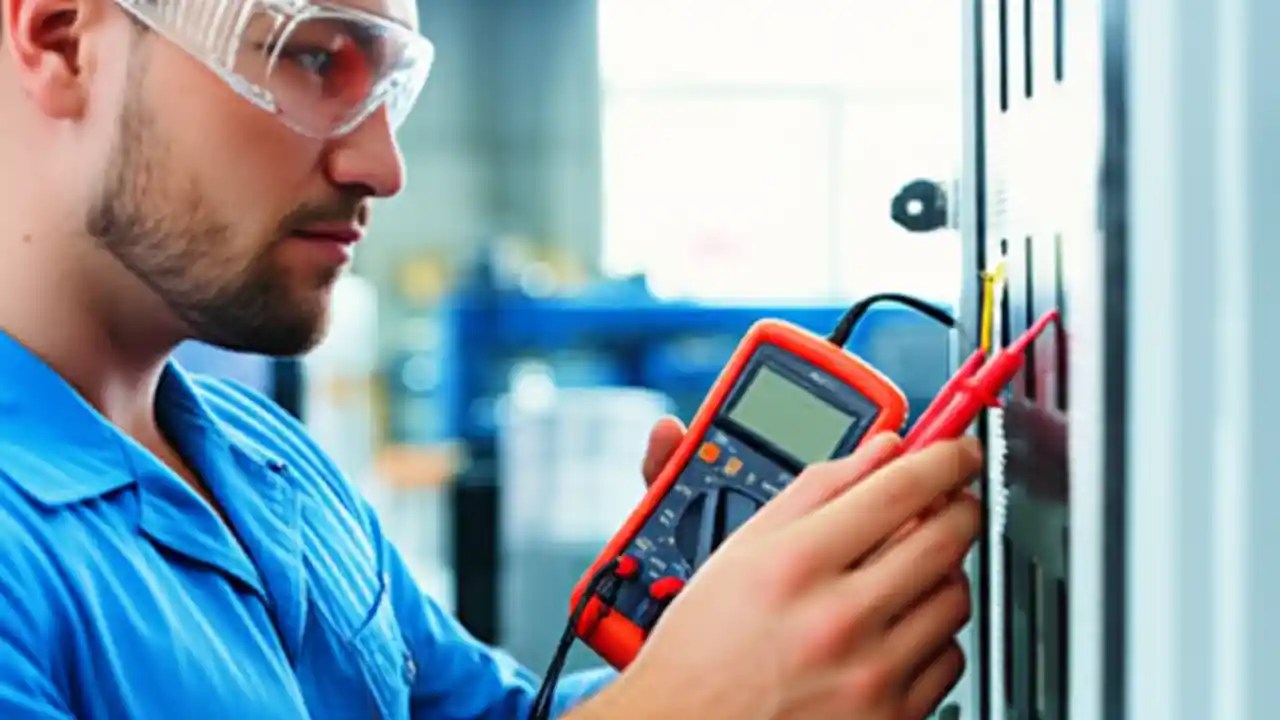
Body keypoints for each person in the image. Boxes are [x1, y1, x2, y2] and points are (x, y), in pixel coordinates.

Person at [0, 0, 983, 717]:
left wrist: (742, 648)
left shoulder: (263, 461)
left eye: (387, 88)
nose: (381, 166)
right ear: (59, 40)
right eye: (309, 58)